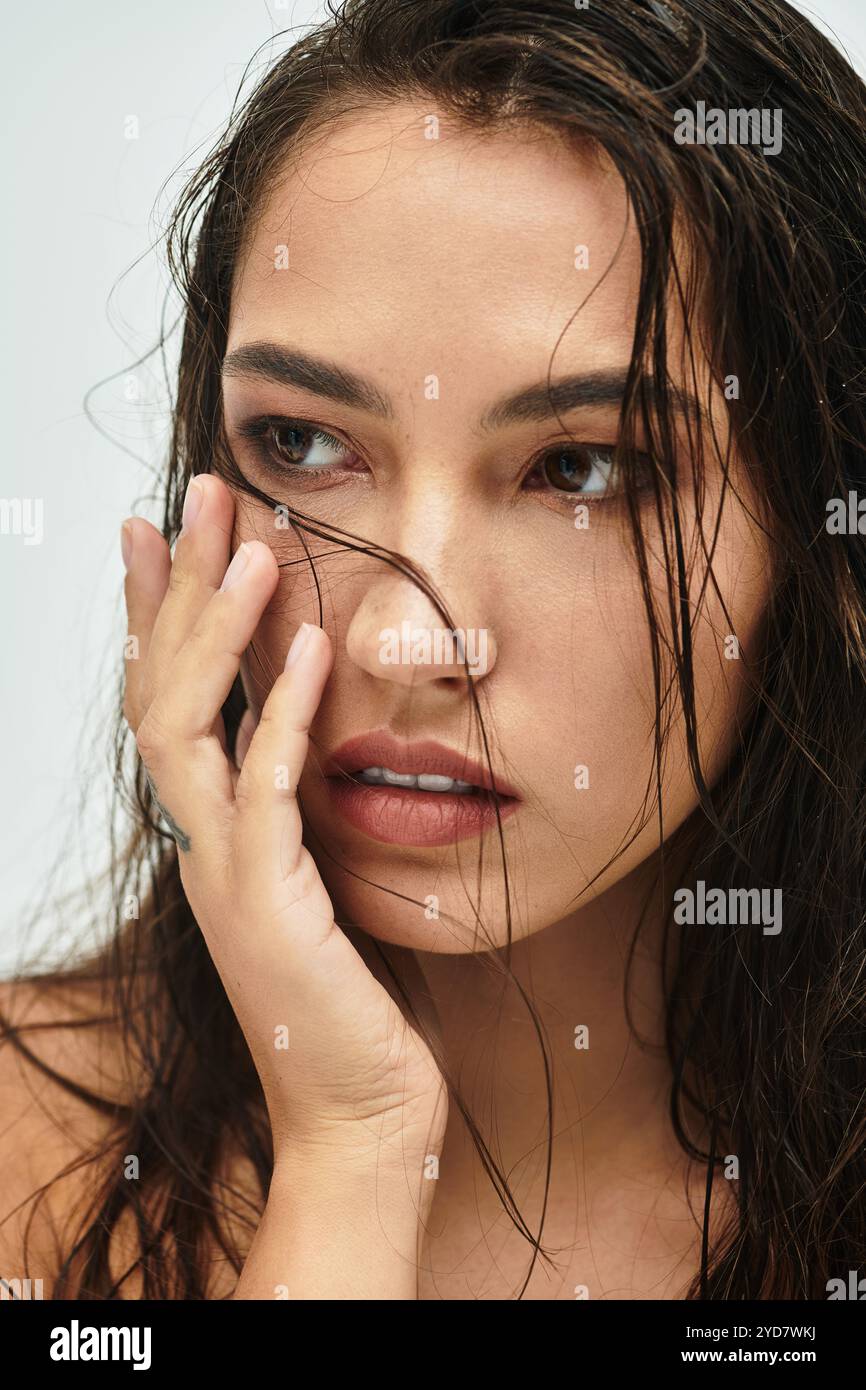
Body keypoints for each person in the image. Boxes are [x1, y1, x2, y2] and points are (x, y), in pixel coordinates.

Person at [2, 0, 864, 1300]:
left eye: (580, 467)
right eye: (302, 443)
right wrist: (348, 1151)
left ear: (819, 533)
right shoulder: (28, 1148)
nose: (407, 641)